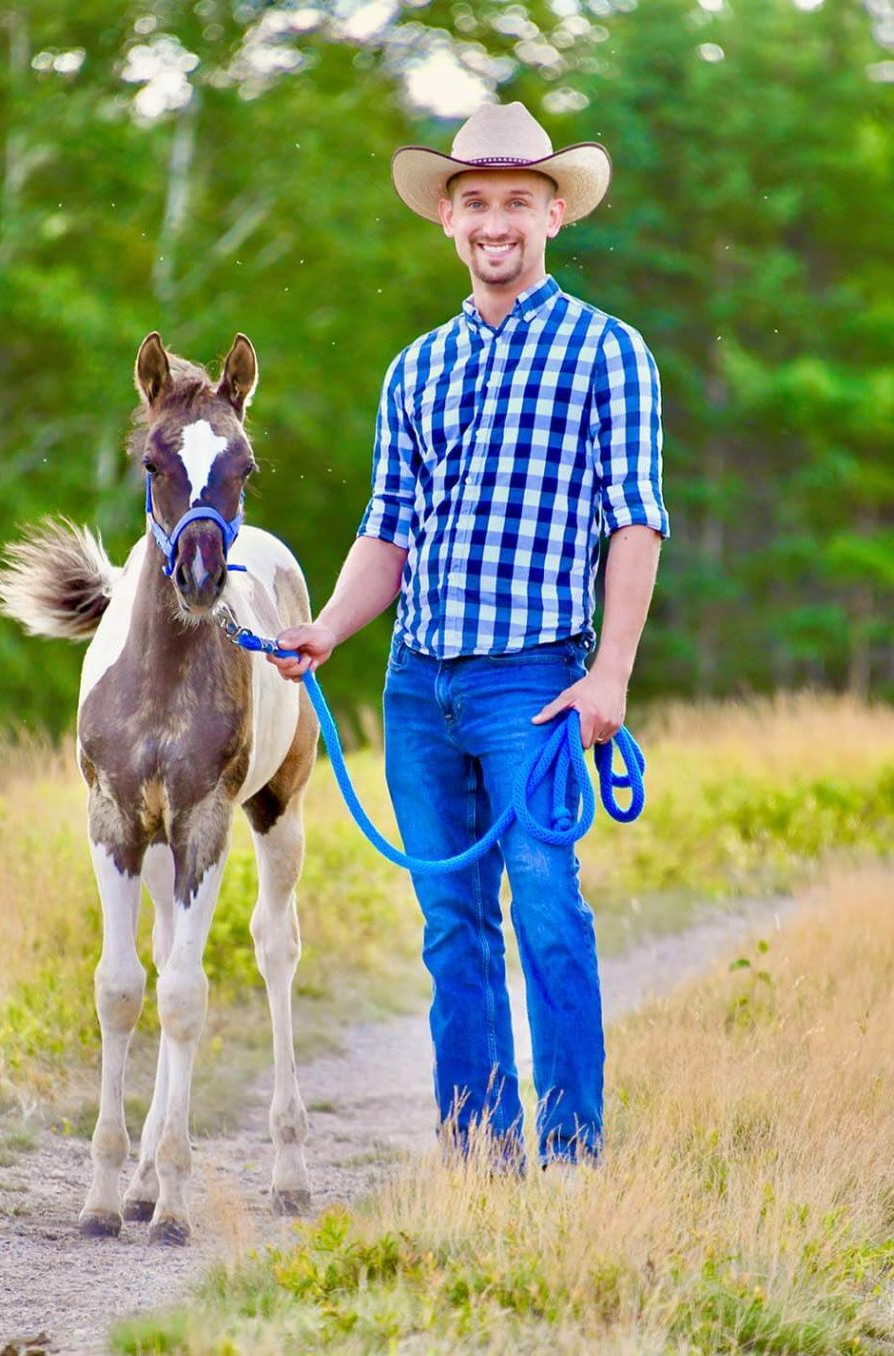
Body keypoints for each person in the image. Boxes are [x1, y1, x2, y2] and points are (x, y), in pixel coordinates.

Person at [268, 100, 669, 1169]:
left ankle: (575, 1155)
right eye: (477, 202)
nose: (498, 222)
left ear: (553, 215)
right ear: (448, 217)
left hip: (533, 687)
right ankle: (481, 1156)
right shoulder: (415, 370)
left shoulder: (608, 353)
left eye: (519, 203)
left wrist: (609, 676)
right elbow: (386, 530)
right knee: (453, 930)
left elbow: (636, 518)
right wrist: (328, 630)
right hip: (418, 688)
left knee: (546, 911)